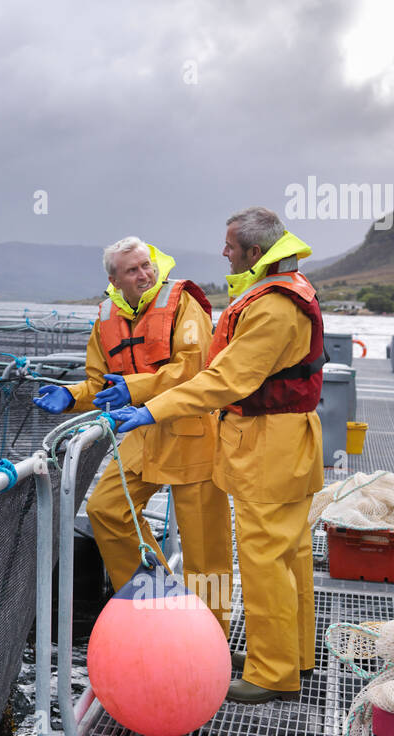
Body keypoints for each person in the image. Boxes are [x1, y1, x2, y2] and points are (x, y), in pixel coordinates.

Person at [108, 208, 325, 704]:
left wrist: (152, 410)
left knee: (264, 557)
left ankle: (271, 674)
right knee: (290, 552)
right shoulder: (290, 289)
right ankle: (292, 655)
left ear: (254, 252)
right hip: (287, 441)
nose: (224, 252)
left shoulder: (271, 307)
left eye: (230, 245)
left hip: (270, 446)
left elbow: (225, 380)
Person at [32, 238, 234, 637]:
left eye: (146, 265)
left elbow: (193, 368)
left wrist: (134, 389)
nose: (144, 274)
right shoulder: (106, 317)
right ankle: (158, 601)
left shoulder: (182, 304)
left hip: (193, 433)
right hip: (141, 436)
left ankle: (211, 642)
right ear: (114, 279)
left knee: (206, 552)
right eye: (132, 270)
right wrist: (71, 395)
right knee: (106, 510)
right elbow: (100, 383)